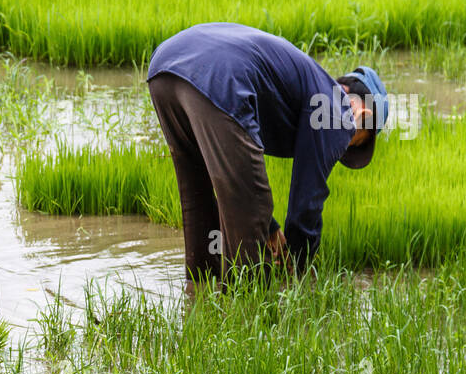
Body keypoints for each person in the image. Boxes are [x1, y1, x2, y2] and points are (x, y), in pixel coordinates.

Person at [146, 22, 388, 292]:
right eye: (356, 141)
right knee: (252, 223)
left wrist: (269, 225)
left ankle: (197, 301)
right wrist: (298, 279)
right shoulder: (337, 108)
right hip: (218, 78)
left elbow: (231, 173)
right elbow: (306, 201)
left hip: (166, 68)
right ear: (362, 112)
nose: (344, 146)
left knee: (198, 198)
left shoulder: (312, 90)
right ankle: (244, 319)